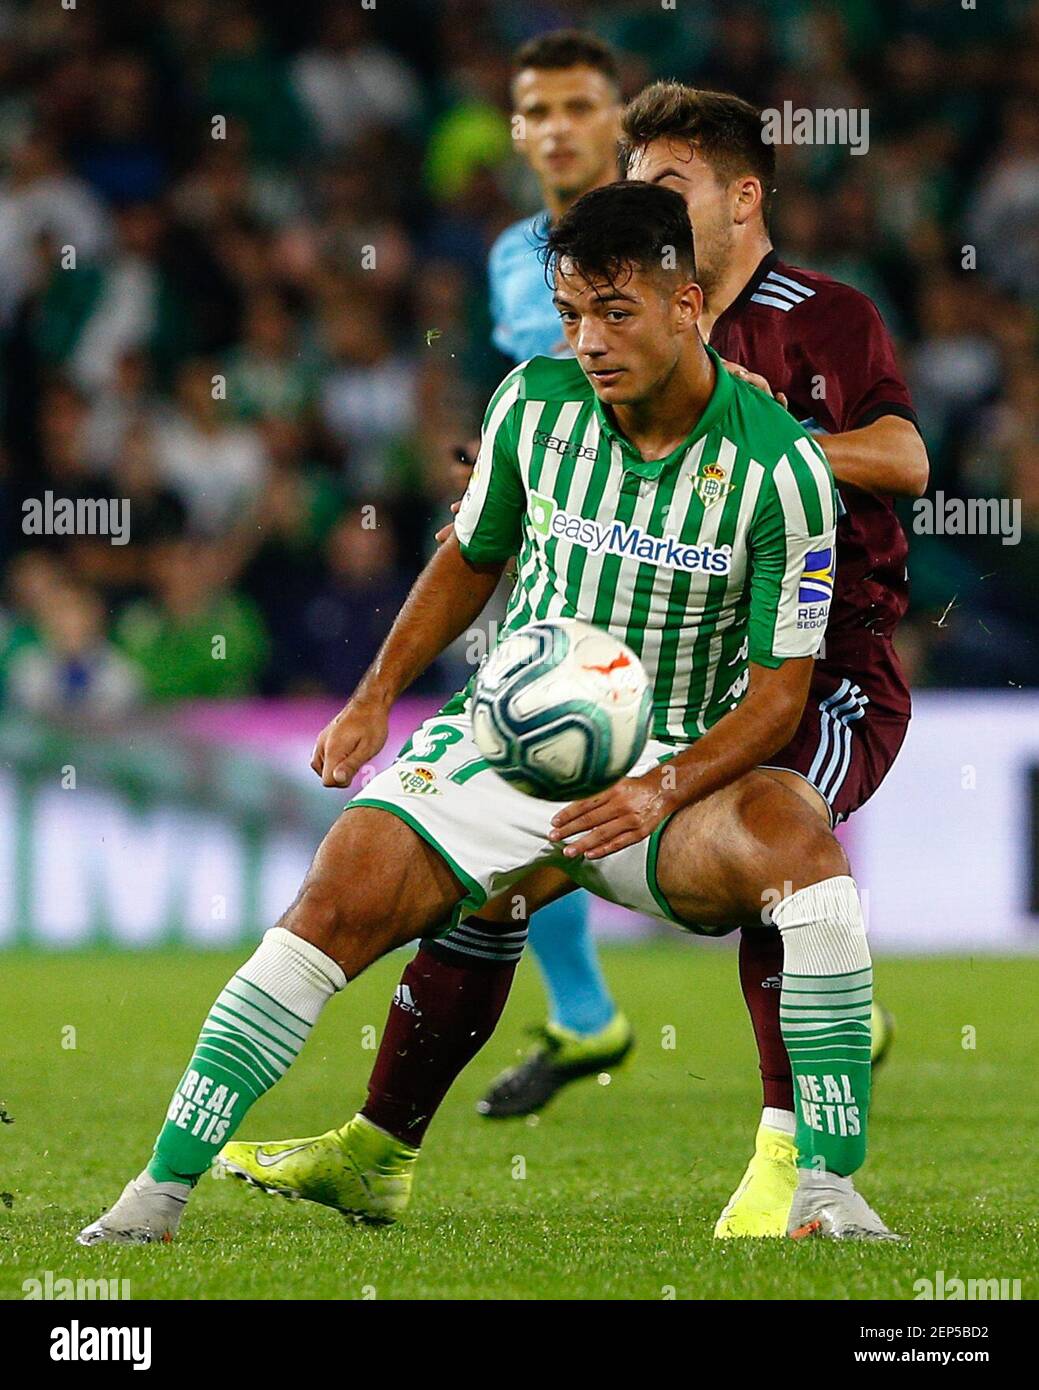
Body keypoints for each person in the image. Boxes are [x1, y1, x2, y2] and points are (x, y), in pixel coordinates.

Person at [79, 181, 896, 1245]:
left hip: (673, 775)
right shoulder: (533, 405)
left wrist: (660, 784)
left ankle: (826, 1194)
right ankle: (156, 1192)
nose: (588, 341)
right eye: (569, 314)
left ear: (688, 304)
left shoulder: (780, 469)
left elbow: (782, 692)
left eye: (615, 311)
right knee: (335, 894)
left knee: (804, 857)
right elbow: (471, 556)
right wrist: (373, 697)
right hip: (503, 745)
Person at [481, 30, 636, 1113]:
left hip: (680, 553)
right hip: (557, 562)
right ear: (515, 129)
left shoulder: (673, 235)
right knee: (533, 770)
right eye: (538, 110)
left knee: (720, 792)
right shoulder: (507, 255)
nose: (558, 127)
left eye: (579, 106)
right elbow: (537, 404)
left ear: (619, 118)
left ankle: (836, 997)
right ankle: (586, 1016)